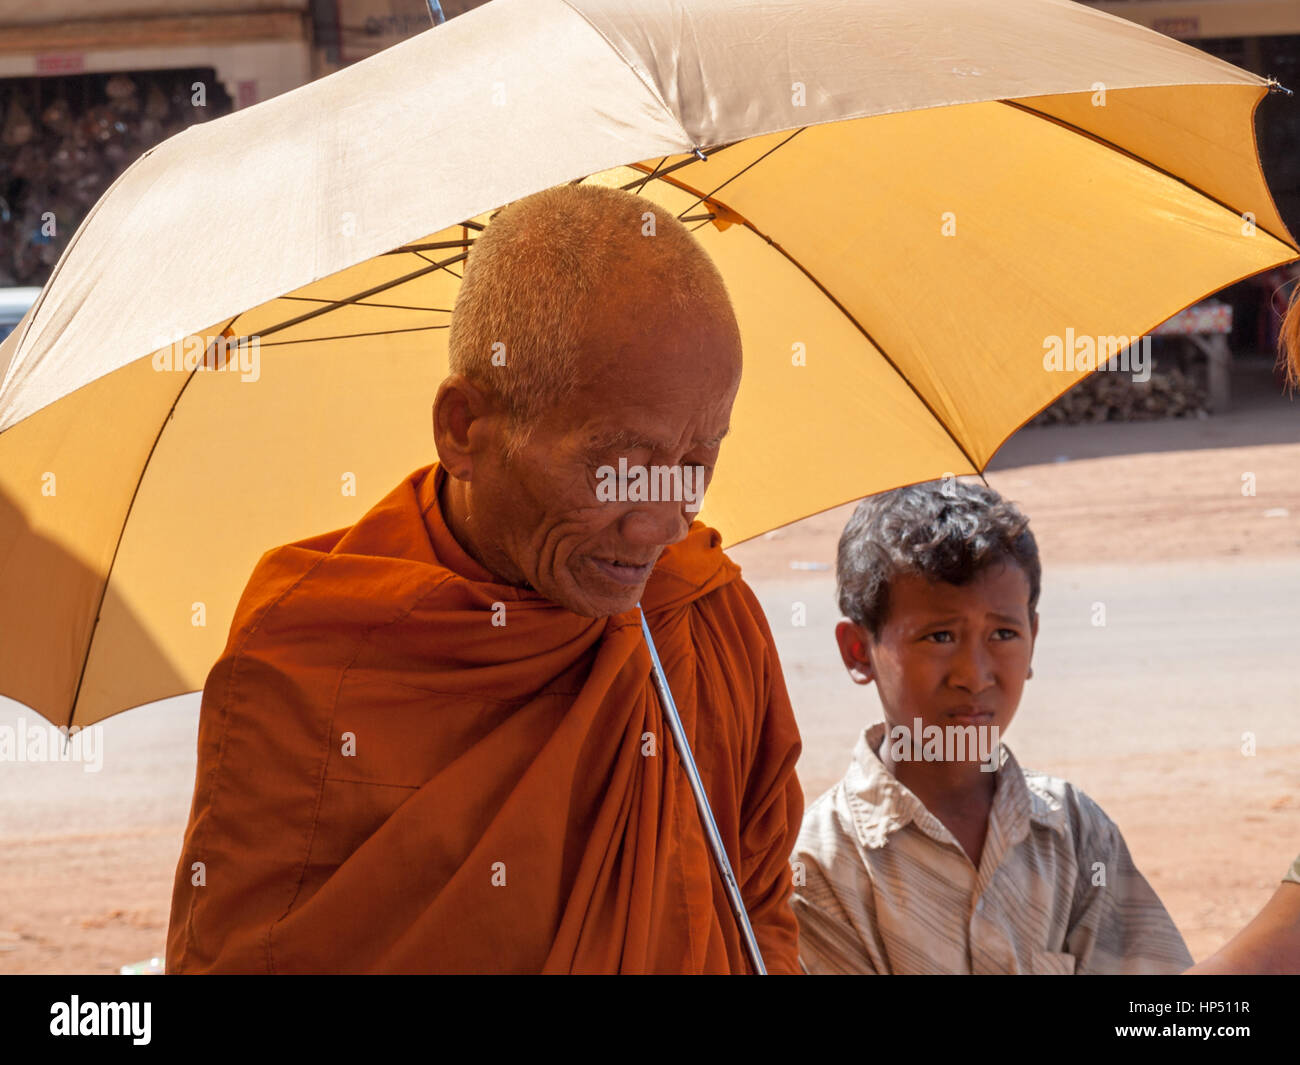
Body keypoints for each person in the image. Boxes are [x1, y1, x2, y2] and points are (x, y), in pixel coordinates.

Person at [166, 183, 804, 974]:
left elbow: (760, 904)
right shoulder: (313, 655)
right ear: (464, 429)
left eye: (696, 463)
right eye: (617, 467)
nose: (660, 524)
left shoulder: (703, 614)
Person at [789, 480, 1191, 974]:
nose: (974, 675)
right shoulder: (822, 866)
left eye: (1003, 633)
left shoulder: (1074, 831)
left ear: (1033, 640)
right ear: (859, 652)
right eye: (939, 636)